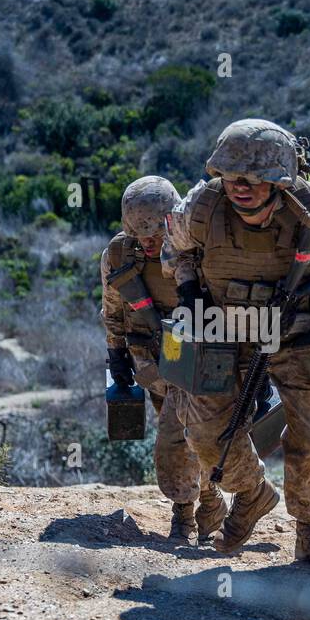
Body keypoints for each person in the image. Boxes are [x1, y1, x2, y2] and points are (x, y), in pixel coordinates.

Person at [167, 119, 310, 566]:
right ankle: (253, 493)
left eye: (255, 178)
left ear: (281, 178)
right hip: (228, 329)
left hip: (302, 334)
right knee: (204, 432)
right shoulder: (199, 209)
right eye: (232, 176)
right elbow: (177, 248)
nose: (241, 186)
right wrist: (188, 289)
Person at [102, 175, 226, 542]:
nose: (149, 242)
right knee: (188, 438)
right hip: (152, 366)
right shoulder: (120, 254)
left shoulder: (197, 252)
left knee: (178, 438)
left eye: (157, 233)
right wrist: (115, 353)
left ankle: (184, 516)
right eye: (141, 234)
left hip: (195, 366)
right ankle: (210, 500)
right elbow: (112, 308)